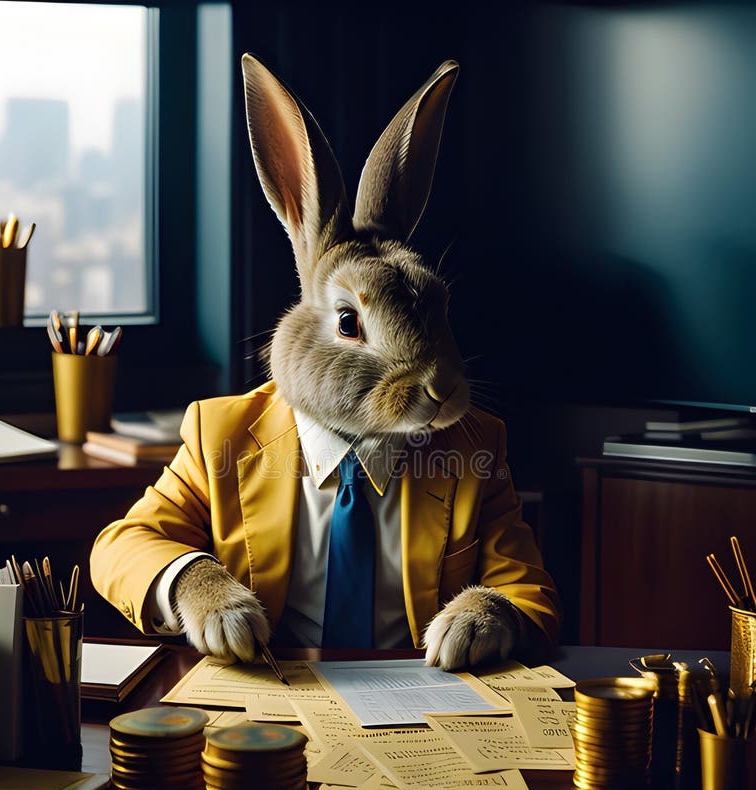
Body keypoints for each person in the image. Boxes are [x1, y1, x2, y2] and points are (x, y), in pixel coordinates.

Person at [89, 54, 561, 671]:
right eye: (352, 324)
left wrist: (491, 612)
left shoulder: (475, 447)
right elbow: (121, 547)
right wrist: (195, 584)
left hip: (418, 720)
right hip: (270, 711)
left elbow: (531, 593)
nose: (437, 380)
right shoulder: (223, 434)